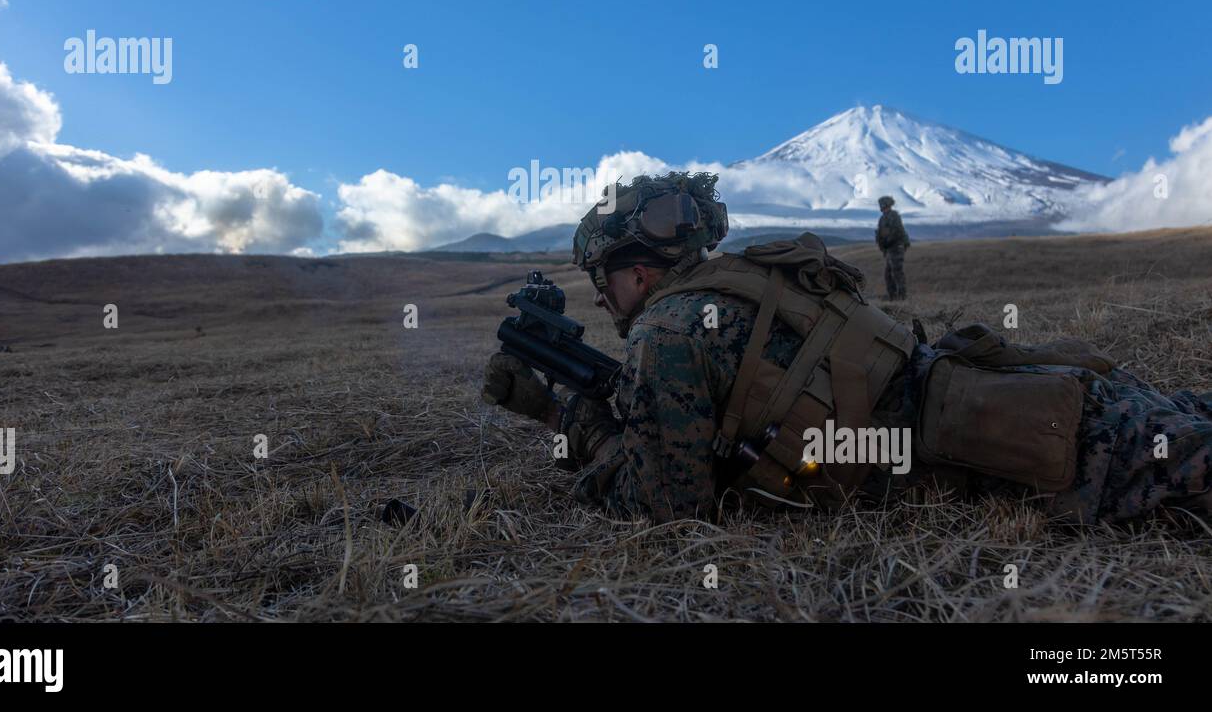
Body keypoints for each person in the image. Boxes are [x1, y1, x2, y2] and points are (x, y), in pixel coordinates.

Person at [481, 172, 1212, 526]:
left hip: (1007, 447)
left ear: (634, 270)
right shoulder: (749, 282)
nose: (604, 302)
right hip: (1011, 391)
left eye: (602, 283)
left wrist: (564, 421)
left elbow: (667, 507)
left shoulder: (664, 334)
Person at [875, 195, 909, 301]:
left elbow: (897, 232)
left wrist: (887, 242)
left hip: (896, 247)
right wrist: (883, 245)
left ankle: (902, 297)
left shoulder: (893, 216)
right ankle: (893, 297)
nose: (882, 207)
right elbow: (880, 234)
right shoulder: (883, 218)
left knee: (897, 272)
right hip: (889, 249)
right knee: (888, 275)